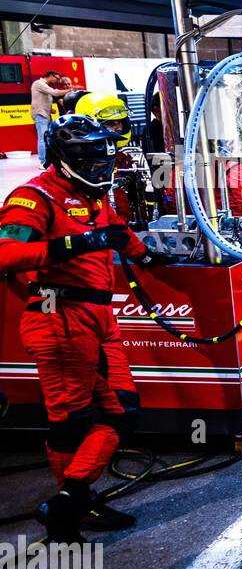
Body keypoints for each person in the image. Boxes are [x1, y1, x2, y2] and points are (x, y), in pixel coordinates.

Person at [0, 116, 179, 542]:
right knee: (71, 423)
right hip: (57, 319)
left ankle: (68, 500)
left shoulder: (95, 196)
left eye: (104, 159)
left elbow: (116, 234)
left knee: (123, 411)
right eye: (91, 160)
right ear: (64, 158)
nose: (101, 167)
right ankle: (73, 511)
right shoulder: (34, 197)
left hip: (99, 320)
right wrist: (72, 245)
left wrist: (154, 257)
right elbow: (5, 256)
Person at [30, 71, 71, 167]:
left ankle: (49, 160)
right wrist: (70, 90)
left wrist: (50, 109)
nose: (57, 81)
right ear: (50, 76)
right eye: (56, 78)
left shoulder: (45, 86)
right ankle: (43, 162)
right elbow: (55, 93)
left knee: (48, 138)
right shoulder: (39, 83)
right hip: (41, 115)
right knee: (42, 138)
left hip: (46, 115)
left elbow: (40, 99)